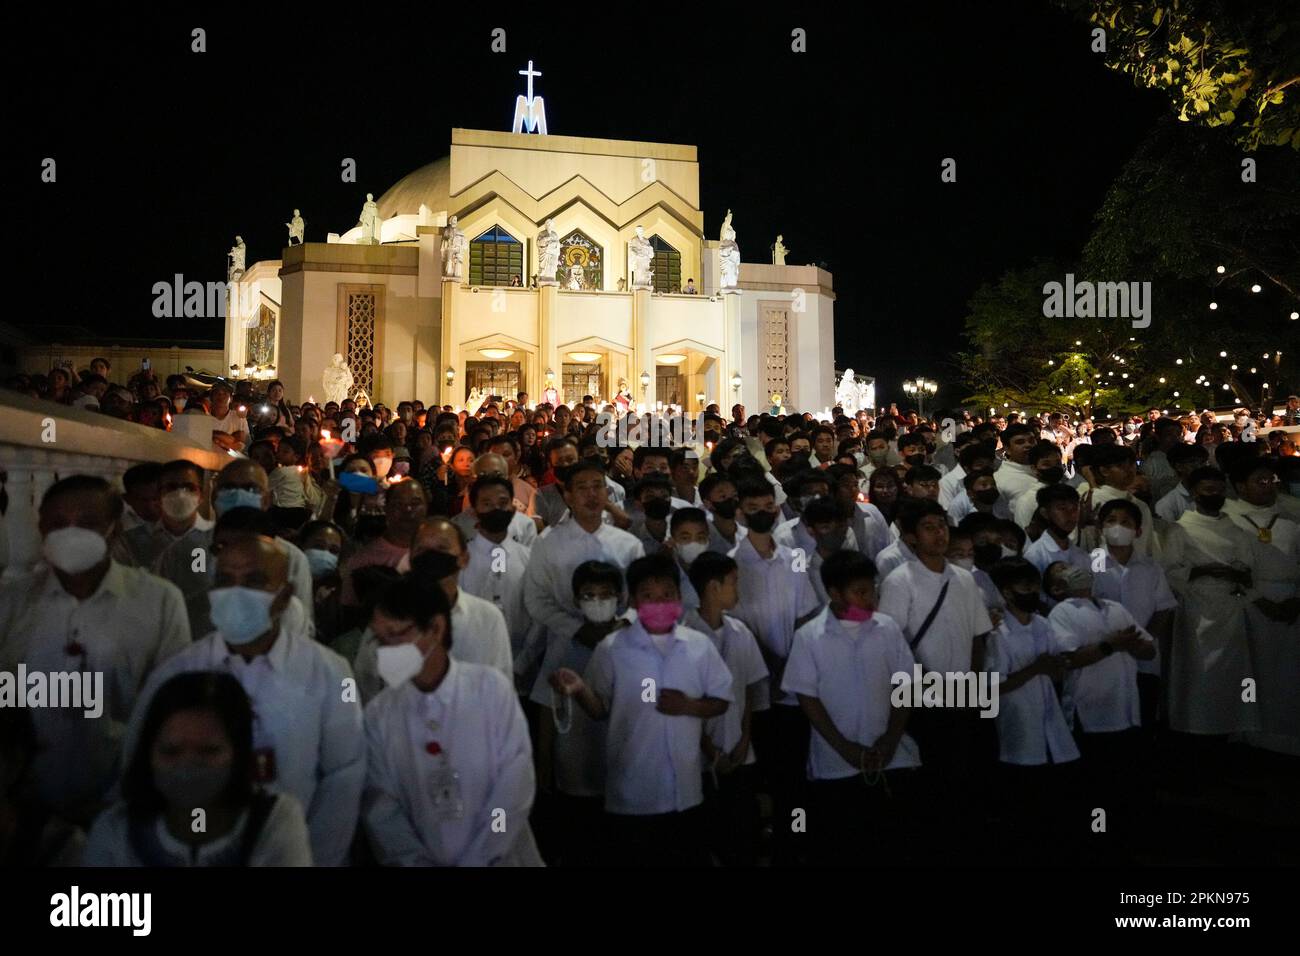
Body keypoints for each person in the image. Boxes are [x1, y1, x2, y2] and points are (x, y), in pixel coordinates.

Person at [123, 533, 364, 866]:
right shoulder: (179, 671)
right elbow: (139, 767)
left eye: (254, 581)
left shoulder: (329, 671)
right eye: (225, 580)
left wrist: (309, 858)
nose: (236, 593)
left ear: (284, 596)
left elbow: (344, 777)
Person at [0, 476, 191, 824]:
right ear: (41, 527)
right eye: (58, 524)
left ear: (114, 529)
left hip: (121, 805)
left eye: (87, 523)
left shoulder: (158, 601)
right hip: (21, 808)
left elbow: (173, 706)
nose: (70, 533)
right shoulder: (11, 602)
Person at [549, 554, 733, 867]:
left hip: (686, 791)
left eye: (667, 595)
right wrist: (579, 689)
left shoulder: (699, 646)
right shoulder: (613, 648)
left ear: (678, 596)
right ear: (633, 600)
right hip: (631, 791)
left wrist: (688, 706)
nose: (659, 602)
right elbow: (599, 710)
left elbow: (721, 700)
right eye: (649, 596)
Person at [363, 578, 542, 866]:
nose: (385, 650)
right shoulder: (379, 714)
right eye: (379, 639)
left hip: (501, 856)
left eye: (396, 635)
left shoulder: (490, 690)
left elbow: (514, 783)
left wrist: (481, 856)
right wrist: (414, 861)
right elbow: (382, 807)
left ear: (435, 628)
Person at [84, 672, 312, 866]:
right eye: (171, 752)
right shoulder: (115, 831)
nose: (188, 766)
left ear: (238, 753)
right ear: (149, 754)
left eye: (208, 751)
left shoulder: (276, 822)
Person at [783, 551, 920, 865]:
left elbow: (905, 685)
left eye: (872, 589)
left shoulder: (886, 628)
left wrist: (890, 740)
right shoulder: (810, 637)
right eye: (860, 592)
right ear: (834, 593)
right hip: (835, 763)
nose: (870, 598)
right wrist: (844, 747)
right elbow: (807, 698)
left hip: (892, 757)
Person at [876, 498, 993, 854]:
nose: (939, 533)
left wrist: (971, 685)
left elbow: (978, 633)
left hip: (963, 693)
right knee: (929, 777)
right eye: (929, 527)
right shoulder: (900, 581)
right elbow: (893, 642)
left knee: (962, 772)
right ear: (911, 537)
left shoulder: (963, 579)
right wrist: (928, 683)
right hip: (921, 696)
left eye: (941, 525)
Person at [1043, 561, 1154, 858]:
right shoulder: (1062, 612)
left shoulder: (1114, 607)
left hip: (1126, 711)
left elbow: (1149, 648)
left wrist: (1132, 645)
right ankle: (1095, 844)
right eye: (1064, 571)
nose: (1076, 570)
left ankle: (1123, 840)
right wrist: (1111, 645)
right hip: (1090, 714)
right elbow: (1068, 660)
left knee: (1123, 786)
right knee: (1094, 789)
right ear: (1056, 587)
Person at [528, 560, 621, 866]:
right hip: (575, 761)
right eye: (589, 595)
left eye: (605, 594)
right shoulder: (565, 641)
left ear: (620, 597)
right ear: (576, 600)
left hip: (621, 762)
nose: (598, 602)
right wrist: (544, 762)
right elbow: (545, 701)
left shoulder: (630, 641)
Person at [985, 558, 1077, 863]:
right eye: (1025, 586)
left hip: (1050, 723)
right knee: (1022, 806)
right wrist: (1036, 668)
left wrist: (1058, 667)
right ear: (1008, 593)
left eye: (1034, 585)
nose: (1032, 591)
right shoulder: (998, 634)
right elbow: (992, 688)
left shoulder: (1042, 624)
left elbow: (1056, 669)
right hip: (1018, 726)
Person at [683, 552, 767, 866]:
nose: (738, 590)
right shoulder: (685, 635)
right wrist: (711, 750)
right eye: (734, 583)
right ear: (714, 587)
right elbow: (684, 701)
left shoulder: (740, 633)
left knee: (743, 834)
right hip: (700, 758)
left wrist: (744, 740)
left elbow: (746, 692)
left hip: (739, 750)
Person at [523, 459, 644, 663]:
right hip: (565, 646)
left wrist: (624, 621)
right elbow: (536, 599)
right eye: (582, 488)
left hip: (620, 643)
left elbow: (641, 594)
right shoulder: (547, 543)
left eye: (597, 486)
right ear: (568, 497)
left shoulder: (628, 544)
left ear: (607, 493)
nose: (591, 494)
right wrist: (576, 629)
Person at [1090, 500, 1177, 732]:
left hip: (1143, 660)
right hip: (1101, 659)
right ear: (1100, 528)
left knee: (1142, 720)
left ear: (1138, 531)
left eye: (1126, 522)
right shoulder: (1089, 564)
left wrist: (1144, 639)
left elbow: (1163, 608)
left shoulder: (1151, 568)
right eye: (1111, 521)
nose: (1118, 526)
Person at [340, 478, 428, 608]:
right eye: (399, 504)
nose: (408, 509)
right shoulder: (363, 561)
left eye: (415, 503)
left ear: (427, 507)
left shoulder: (437, 552)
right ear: (386, 508)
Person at [123, 459, 213, 569]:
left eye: (189, 487)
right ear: (159, 494)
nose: (180, 494)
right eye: (172, 487)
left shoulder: (217, 537)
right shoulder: (131, 541)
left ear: (201, 495)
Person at [1022, 485, 1090, 582]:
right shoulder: (1035, 555)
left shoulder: (1082, 555)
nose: (1070, 514)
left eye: (1074, 508)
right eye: (1062, 509)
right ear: (1045, 513)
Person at [1153, 443, 1210, 525]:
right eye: (1193, 462)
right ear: (1179, 467)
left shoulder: (1212, 495)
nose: (1200, 467)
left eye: (1203, 462)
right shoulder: (1167, 504)